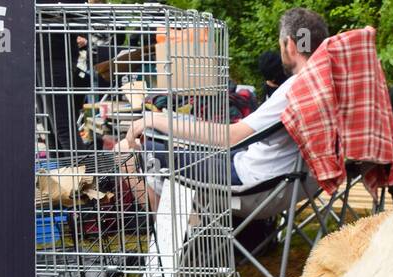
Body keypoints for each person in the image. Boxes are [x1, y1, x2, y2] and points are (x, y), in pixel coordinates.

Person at [116, 8, 329, 205]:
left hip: (254, 183)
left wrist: (155, 120)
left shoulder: (294, 88)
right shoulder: (324, 84)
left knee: (126, 150)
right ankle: (191, 231)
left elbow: (231, 136)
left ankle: (172, 241)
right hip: (296, 183)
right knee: (185, 148)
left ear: (290, 45)